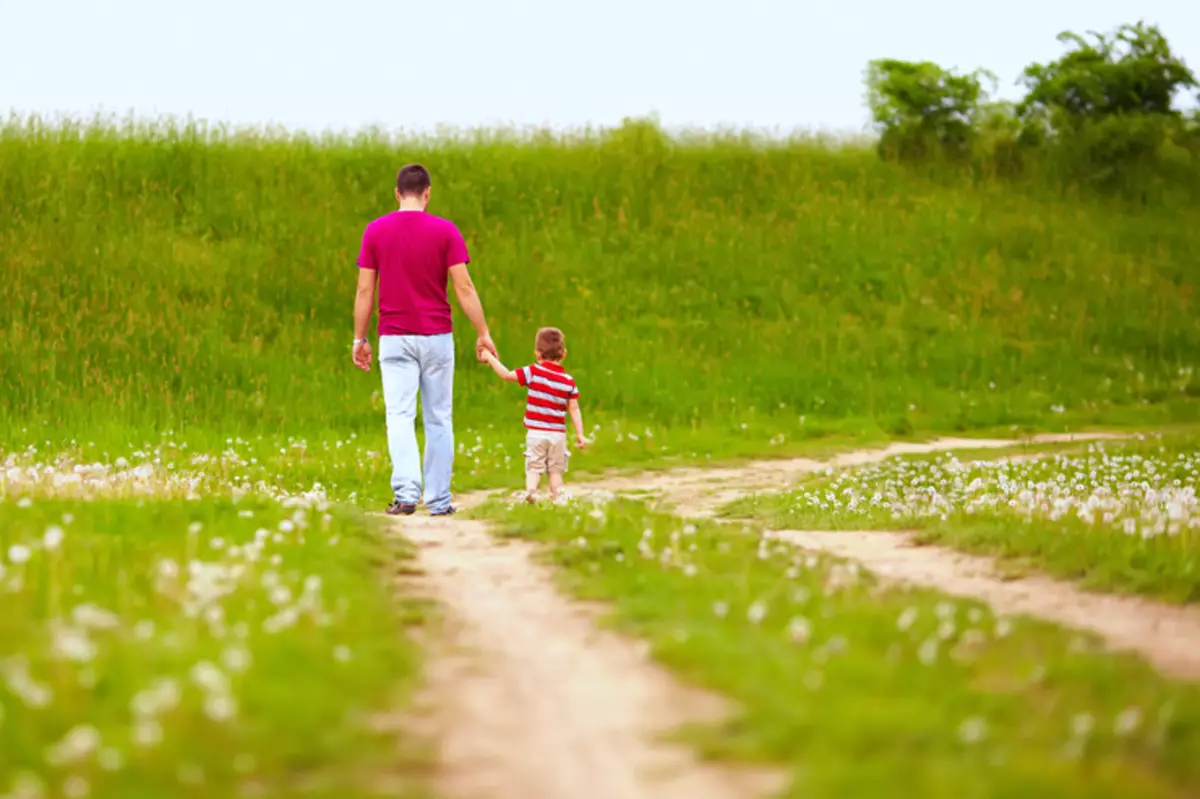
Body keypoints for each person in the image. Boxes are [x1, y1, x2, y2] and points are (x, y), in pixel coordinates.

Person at [352, 164, 496, 516]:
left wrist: (359, 339)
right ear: (427, 193)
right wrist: (483, 332)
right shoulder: (445, 231)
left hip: (395, 339)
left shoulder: (375, 231)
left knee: (399, 416)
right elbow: (464, 287)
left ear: (397, 193)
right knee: (438, 418)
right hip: (436, 338)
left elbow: (364, 290)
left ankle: (405, 495)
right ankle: (438, 500)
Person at [481, 327, 587, 502]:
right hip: (557, 435)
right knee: (555, 471)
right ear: (564, 354)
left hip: (536, 433)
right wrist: (580, 434)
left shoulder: (533, 372)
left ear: (537, 354)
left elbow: (507, 375)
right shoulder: (568, 381)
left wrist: (490, 357)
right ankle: (557, 497)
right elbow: (574, 408)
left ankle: (531, 492)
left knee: (534, 467)